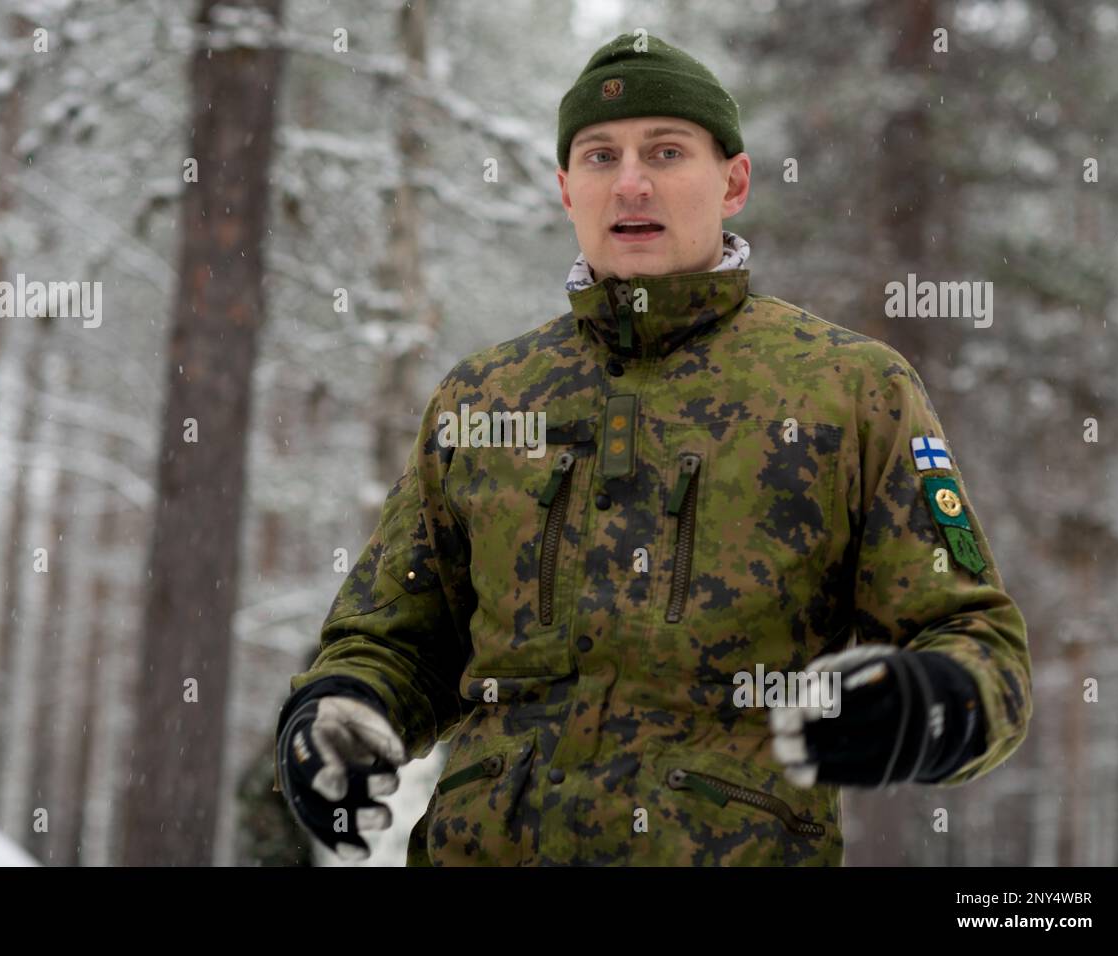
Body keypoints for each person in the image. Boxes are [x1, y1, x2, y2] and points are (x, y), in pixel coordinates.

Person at [272, 32, 1032, 866]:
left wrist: (933, 704)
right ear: (567, 188)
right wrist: (341, 709)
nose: (630, 182)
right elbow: (396, 637)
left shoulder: (851, 391)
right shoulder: (484, 398)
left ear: (734, 180)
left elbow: (973, 637)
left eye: (666, 151)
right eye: (601, 156)